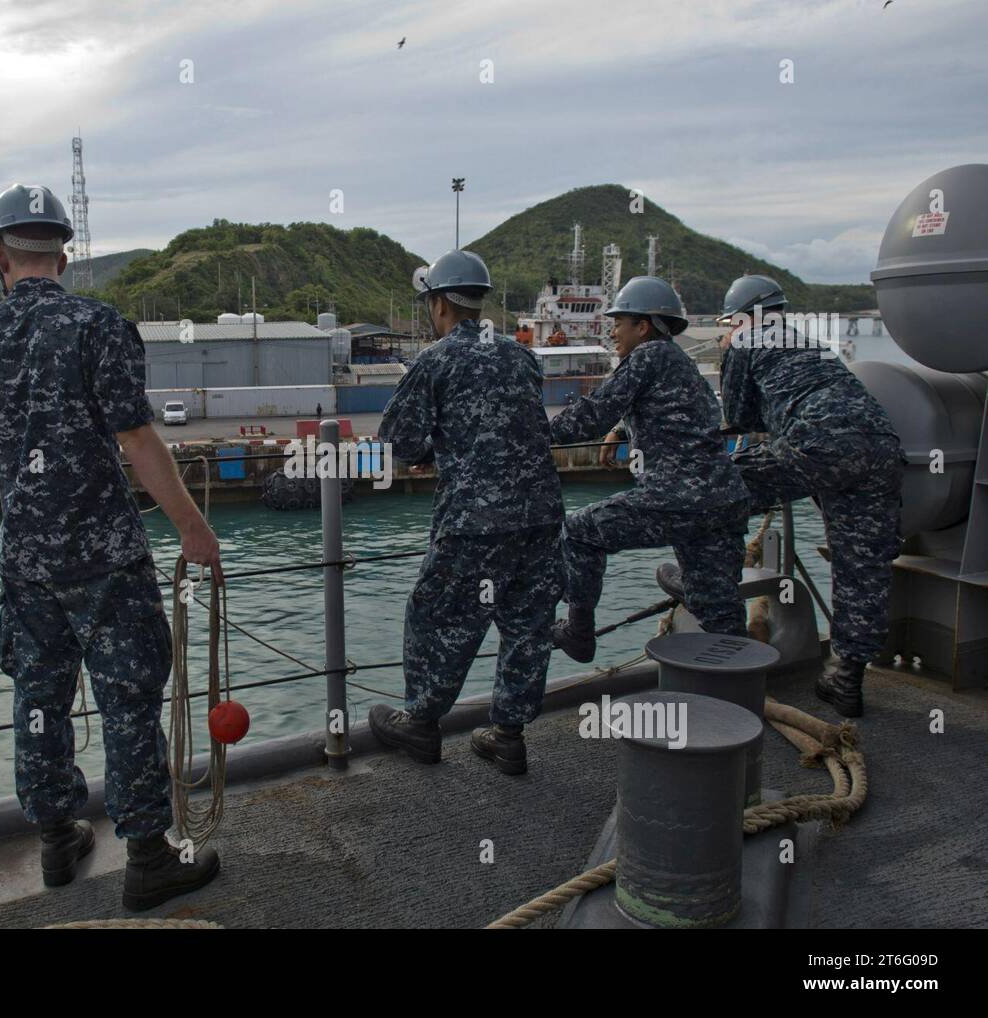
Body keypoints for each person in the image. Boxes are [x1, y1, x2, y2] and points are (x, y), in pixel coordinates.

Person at [0, 183, 221, 910]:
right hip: (106, 559)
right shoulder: (100, 326)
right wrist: (193, 530)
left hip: (27, 565)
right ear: (62, 255)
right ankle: (146, 859)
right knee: (129, 702)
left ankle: (57, 841)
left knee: (39, 701)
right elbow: (137, 437)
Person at [368, 250, 565, 776]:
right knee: (527, 625)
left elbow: (401, 441)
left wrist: (440, 450)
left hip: (475, 523)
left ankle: (422, 722)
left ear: (438, 304)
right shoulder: (520, 356)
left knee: (435, 614)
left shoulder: (437, 359)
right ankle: (508, 736)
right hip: (543, 515)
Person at [716, 274, 904, 717]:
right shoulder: (811, 342)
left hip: (816, 443)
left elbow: (738, 415)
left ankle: (708, 587)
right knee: (862, 564)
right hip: (879, 444)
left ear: (741, 317)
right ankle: (847, 676)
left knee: (714, 489)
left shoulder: (744, 341)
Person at [550, 276, 750, 661]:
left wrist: (532, 435)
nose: (613, 332)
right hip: (723, 501)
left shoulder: (647, 356)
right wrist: (621, 430)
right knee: (719, 609)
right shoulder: (679, 362)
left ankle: (578, 630)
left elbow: (591, 414)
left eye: (619, 323)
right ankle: (740, 689)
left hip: (678, 498)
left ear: (642, 326)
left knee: (578, 532)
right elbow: (676, 413)